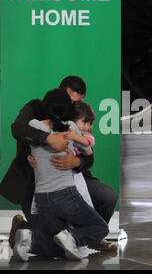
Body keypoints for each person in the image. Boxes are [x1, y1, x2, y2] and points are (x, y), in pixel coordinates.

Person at [0, 76, 118, 252]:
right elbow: (17, 128)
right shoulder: (35, 109)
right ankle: (22, 229)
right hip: (37, 185)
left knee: (107, 196)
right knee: (58, 244)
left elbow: (89, 154)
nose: (72, 107)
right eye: (69, 101)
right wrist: (47, 138)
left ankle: (89, 238)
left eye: (76, 103)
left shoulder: (74, 118)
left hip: (70, 181)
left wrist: (76, 161)